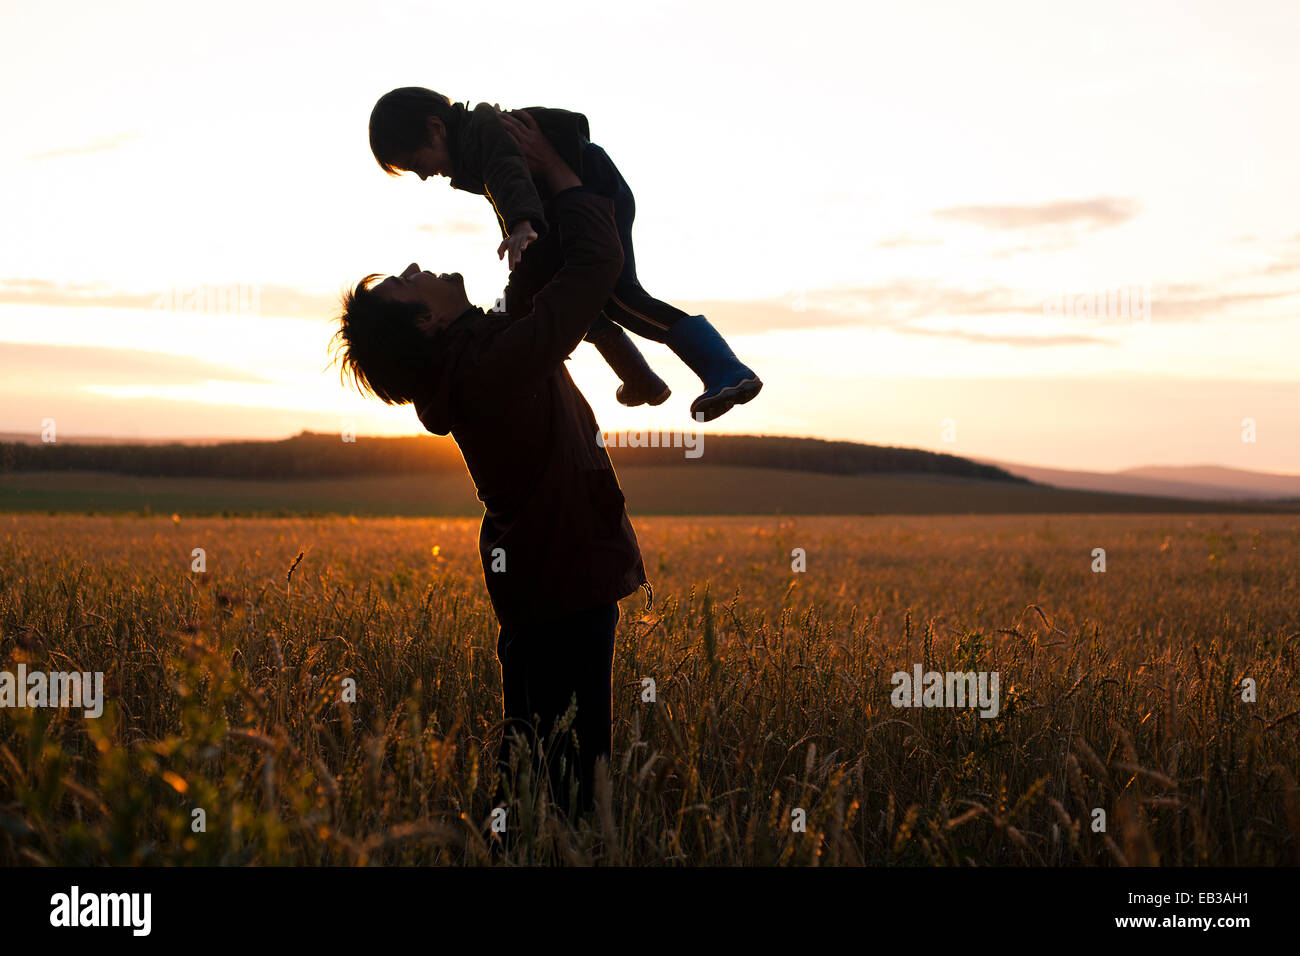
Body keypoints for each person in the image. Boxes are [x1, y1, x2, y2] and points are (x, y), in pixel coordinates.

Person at [329, 121, 647, 824]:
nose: (418, 268)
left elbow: (536, 291)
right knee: (571, 777)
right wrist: (563, 181)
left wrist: (528, 213)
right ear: (424, 326)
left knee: (537, 757)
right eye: (408, 284)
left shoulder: (476, 354)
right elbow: (589, 279)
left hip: (552, 581)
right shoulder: (485, 370)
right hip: (564, 582)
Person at [368, 87, 763, 422]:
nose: (423, 176)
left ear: (436, 128)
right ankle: (640, 378)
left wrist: (521, 223)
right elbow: (508, 188)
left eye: (418, 164)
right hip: (561, 208)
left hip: (592, 190)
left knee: (622, 297)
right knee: (567, 297)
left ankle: (723, 366)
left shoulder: (483, 133)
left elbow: (509, 174)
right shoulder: (470, 151)